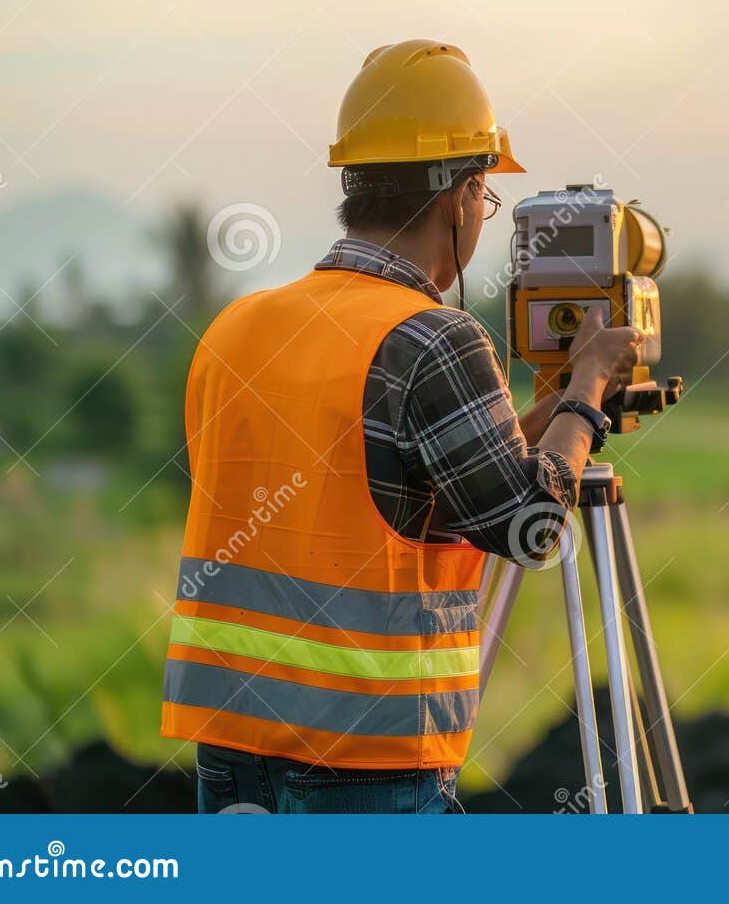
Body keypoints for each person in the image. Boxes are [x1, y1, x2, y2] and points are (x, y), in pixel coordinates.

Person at [160, 40, 644, 814]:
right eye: (484, 200)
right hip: (365, 761)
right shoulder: (434, 338)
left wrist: (534, 419)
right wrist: (587, 384)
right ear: (461, 196)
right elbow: (528, 525)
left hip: (230, 748)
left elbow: (368, 481)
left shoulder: (238, 329)